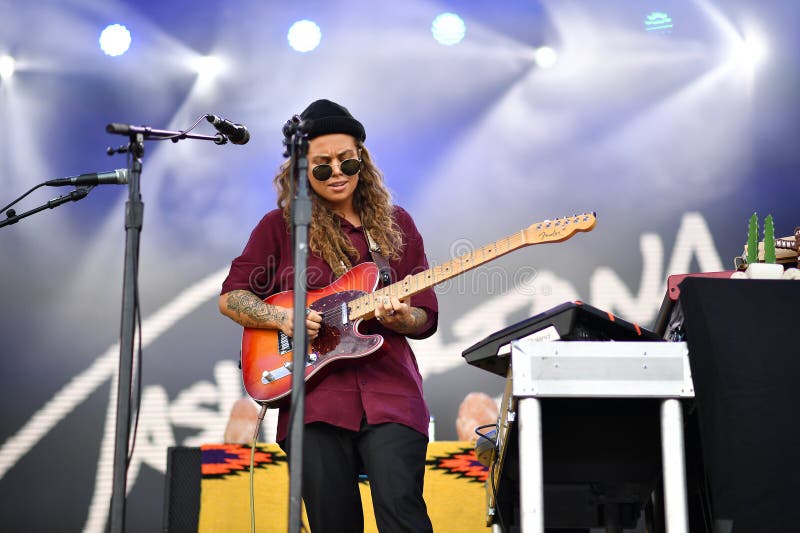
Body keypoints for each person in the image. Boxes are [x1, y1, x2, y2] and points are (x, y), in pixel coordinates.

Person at [218, 99, 438, 533]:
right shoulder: (279, 227)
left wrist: (401, 319)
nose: (337, 172)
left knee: (404, 517)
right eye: (322, 166)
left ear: (362, 160)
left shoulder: (397, 225)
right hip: (313, 404)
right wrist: (282, 319)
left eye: (347, 161)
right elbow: (232, 298)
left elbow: (425, 317)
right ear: (303, 169)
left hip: (391, 395)